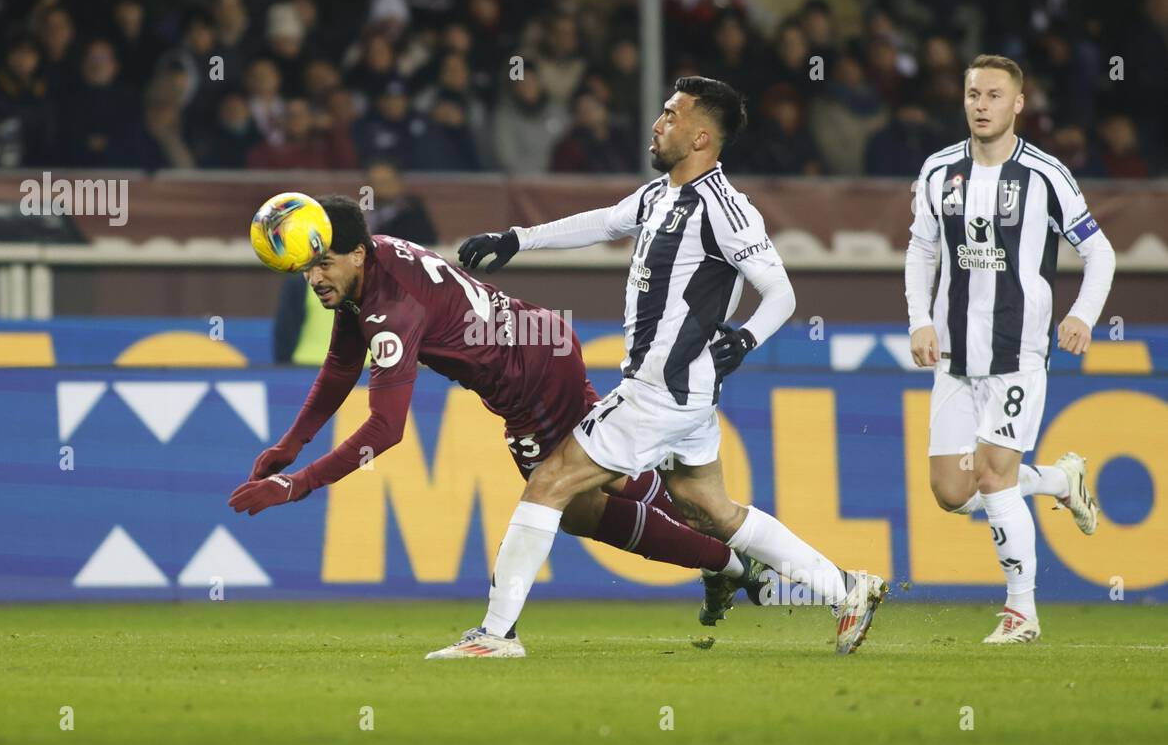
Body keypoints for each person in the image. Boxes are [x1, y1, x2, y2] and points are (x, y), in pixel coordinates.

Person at [438, 76, 888, 658]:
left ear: (702, 136)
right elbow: (601, 223)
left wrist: (747, 338)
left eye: (672, 115)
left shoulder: (726, 208)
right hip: (684, 395)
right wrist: (517, 238)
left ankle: (496, 635)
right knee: (710, 509)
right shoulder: (658, 196)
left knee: (548, 483)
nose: (659, 123)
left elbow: (780, 291)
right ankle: (844, 588)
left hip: (661, 391)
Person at [227, 197, 765, 654]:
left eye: (321, 265)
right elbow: (342, 366)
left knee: (575, 506)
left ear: (356, 254)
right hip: (543, 342)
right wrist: (289, 445)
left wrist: (299, 483)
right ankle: (731, 552)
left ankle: (504, 631)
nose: (313, 278)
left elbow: (386, 430)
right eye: (306, 269)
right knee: (608, 479)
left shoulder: (392, 310)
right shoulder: (374, 261)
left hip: (530, 381)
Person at [904, 54, 1116, 645]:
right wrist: (921, 320)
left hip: (1018, 352)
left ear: (1018, 104)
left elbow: (1100, 253)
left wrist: (1081, 315)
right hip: (953, 356)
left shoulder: (1046, 175)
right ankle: (1057, 481)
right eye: (974, 94)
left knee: (995, 478)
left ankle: (1021, 613)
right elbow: (921, 251)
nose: (981, 105)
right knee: (952, 492)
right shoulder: (938, 170)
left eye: (995, 96)